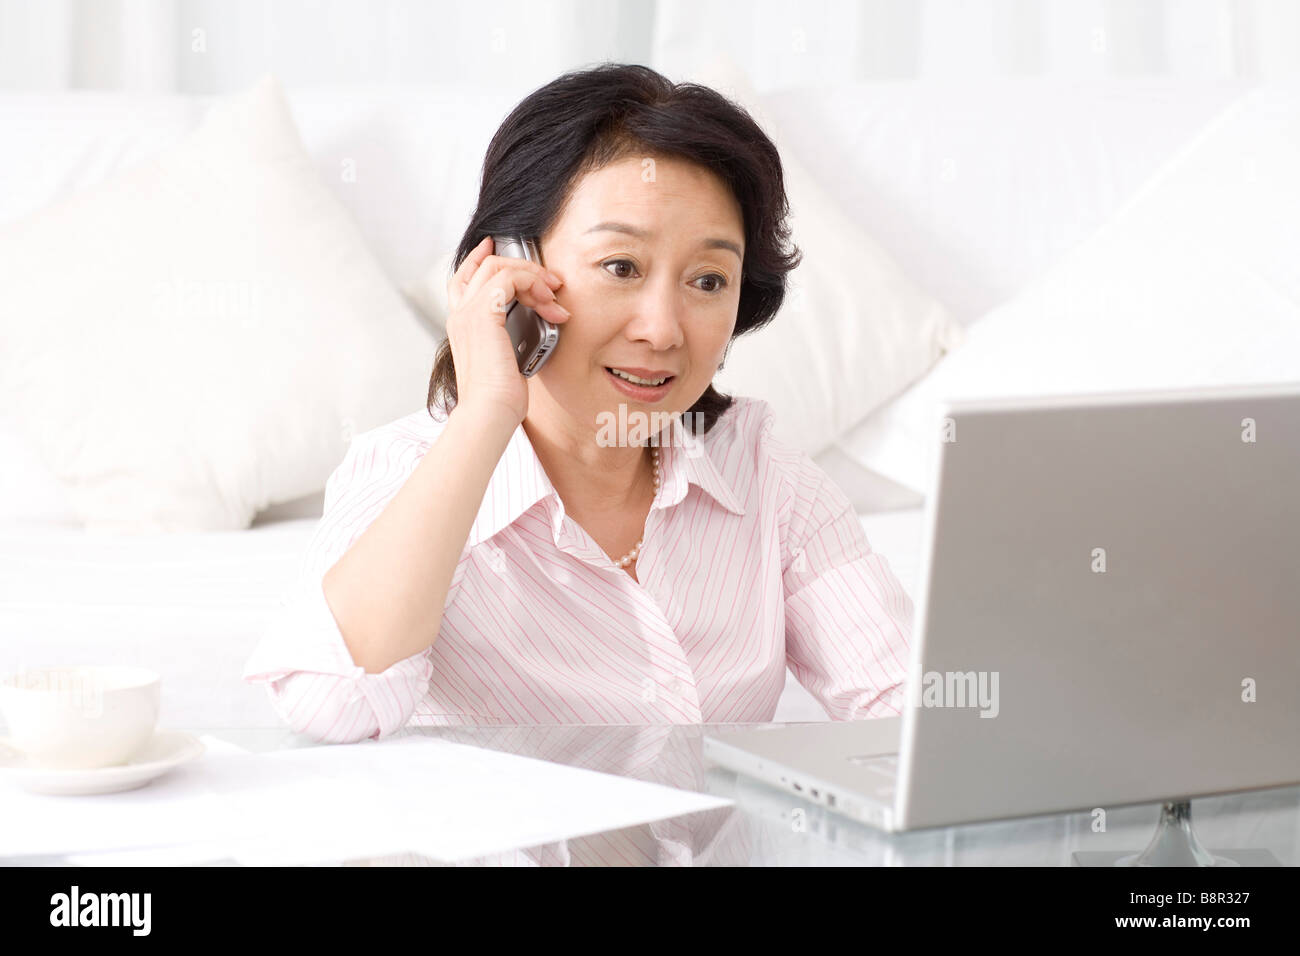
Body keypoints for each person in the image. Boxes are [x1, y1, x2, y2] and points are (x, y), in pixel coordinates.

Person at [242, 63, 913, 744]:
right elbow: (329, 706)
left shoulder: (770, 481)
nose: (662, 329)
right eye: (620, 267)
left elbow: (909, 713)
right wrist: (484, 413)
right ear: (511, 260)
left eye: (708, 280)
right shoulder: (402, 471)